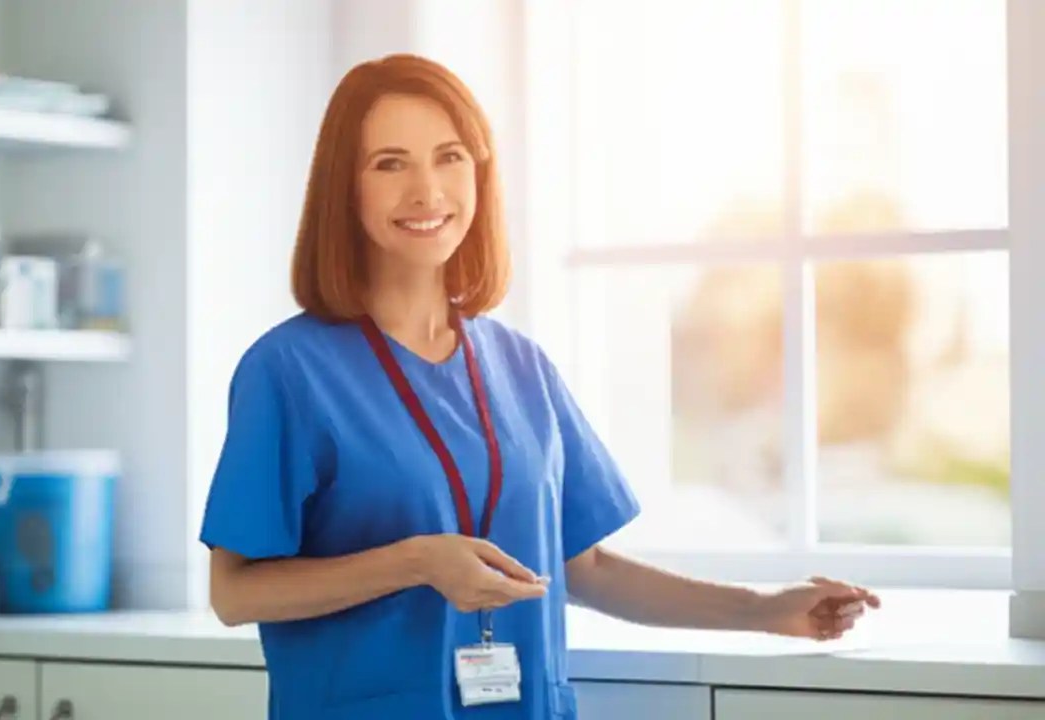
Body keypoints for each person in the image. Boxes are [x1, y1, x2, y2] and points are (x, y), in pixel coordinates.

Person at [199, 54, 881, 720]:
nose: (427, 191)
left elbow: (586, 568)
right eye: (389, 163)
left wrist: (763, 609)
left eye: (450, 157)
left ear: (480, 173)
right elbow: (236, 592)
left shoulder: (520, 366)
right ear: (344, 189)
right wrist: (414, 562)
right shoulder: (288, 371)